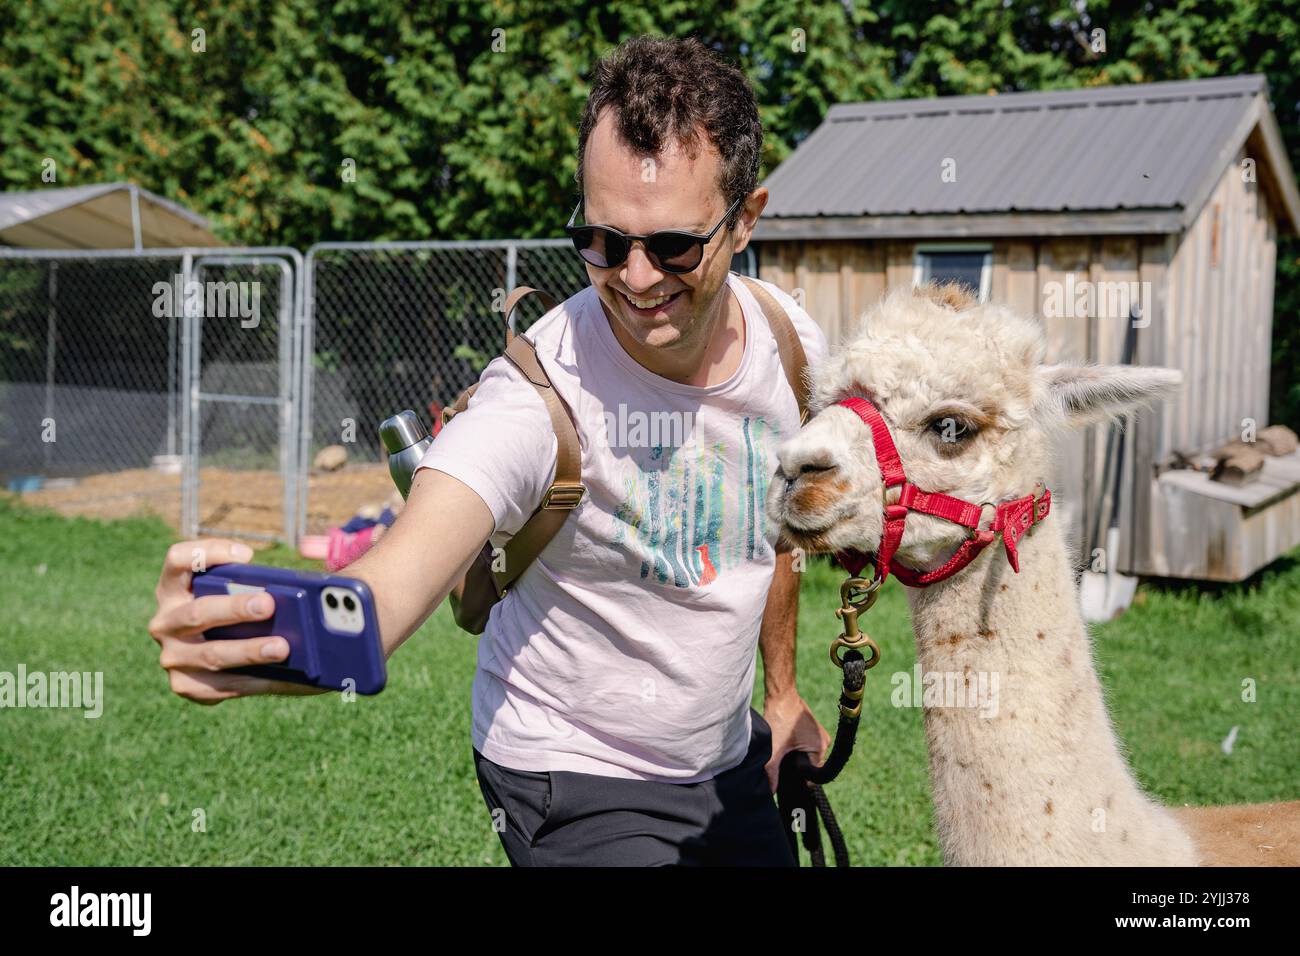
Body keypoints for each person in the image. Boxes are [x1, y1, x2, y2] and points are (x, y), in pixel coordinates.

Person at [148, 34, 830, 866]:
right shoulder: (536, 398)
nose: (638, 278)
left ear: (747, 219)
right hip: (571, 771)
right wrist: (288, 638)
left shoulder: (790, 346)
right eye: (605, 243)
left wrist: (786, 695)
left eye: (674, 246)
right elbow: (396, 580)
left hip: (725, 764)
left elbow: (779, 537)